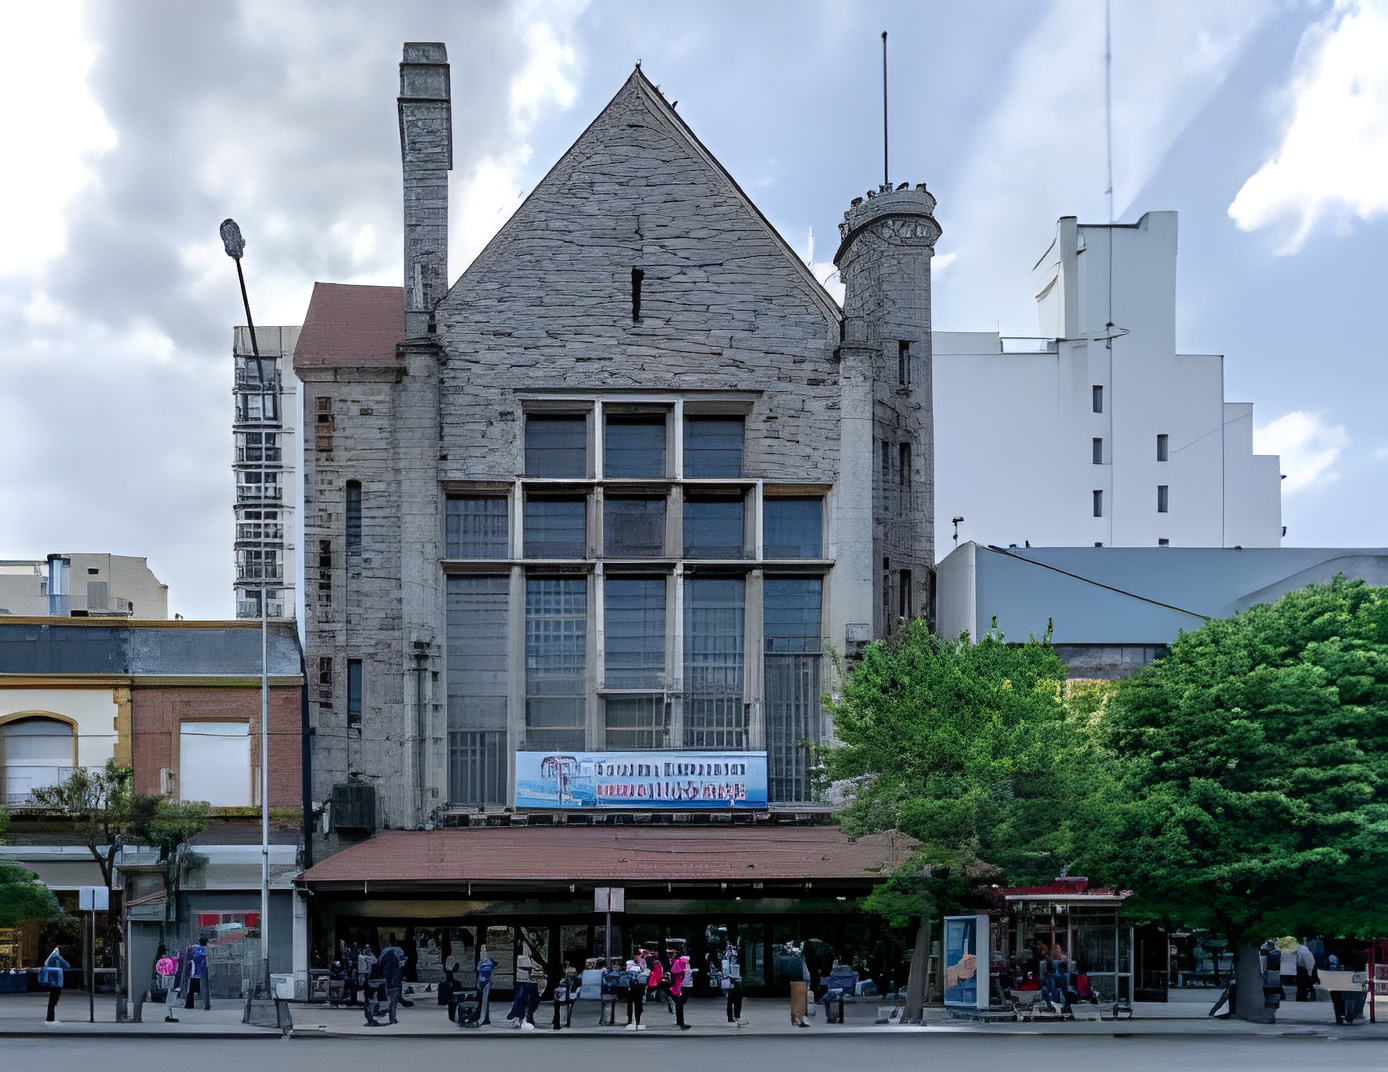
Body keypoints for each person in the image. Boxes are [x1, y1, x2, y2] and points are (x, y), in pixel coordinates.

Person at [780, 943, 810, 1027]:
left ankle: (795, 1019)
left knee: (795, 1001)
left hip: (794, 980)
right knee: (801, 1001)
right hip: (801, 981)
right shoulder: (801, 960)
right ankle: (799, 1019)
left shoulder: (791, 960)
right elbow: (805, 973)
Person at [378, 938, 406, 1024]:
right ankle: (397, 995)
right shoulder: (399, 950)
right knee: (395, 988)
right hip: (395, 971)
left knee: (388, 984)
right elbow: (402, 960)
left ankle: (387, 993)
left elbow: (380, 960)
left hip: (386, 970)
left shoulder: (385, 950)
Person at [41, 945, 70, 1024]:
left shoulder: (52, 958)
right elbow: (67, 965)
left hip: (55, 983)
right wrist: (60, 958)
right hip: (56, 983)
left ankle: (50, 1017)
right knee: (53, 1001)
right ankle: (50, 1017)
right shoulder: (55, 957)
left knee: (52, 1001)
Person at [185, 936, 211, 1010]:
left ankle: (189, 1004)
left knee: (191, 990)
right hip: (202, 973)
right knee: (203, 989)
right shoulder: (205, 950)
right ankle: (205, 1004)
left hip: (193, 972)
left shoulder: (194, 949)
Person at [623, 951, 647, 1030]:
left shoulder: (643, 963)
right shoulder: (629, 963)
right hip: (631, 985)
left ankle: (638, 1020)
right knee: (630, 1003)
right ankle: (630, 1020)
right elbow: (629, 971)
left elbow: (644, 971)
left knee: (638, 1003)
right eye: (640, 956)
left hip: (639, 986)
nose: (641, 958)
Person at [670, 947, 692, 1030]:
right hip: (680, 985)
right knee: (680, 1003)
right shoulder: (679, 963)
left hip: (684, 984)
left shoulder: (682, 963)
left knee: (680, 1003)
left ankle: (680, 1021)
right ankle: (681, 1022)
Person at [721, 946, 745, 1025]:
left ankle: (736, 1016)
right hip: (730, 983)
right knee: (730, 1001)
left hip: (736, 982)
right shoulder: (726, 964)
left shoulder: (736, 965)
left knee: (737, 1000)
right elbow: (726, 974)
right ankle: (731, 1017)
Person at [476, 950, 496, 1025]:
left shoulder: (482, 963)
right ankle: (484, 1018)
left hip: (483, 981)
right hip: (485, 981)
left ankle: (482, 1018)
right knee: (484, 1001)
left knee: (484, 1001)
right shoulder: (487, 963)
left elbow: (479, 970)